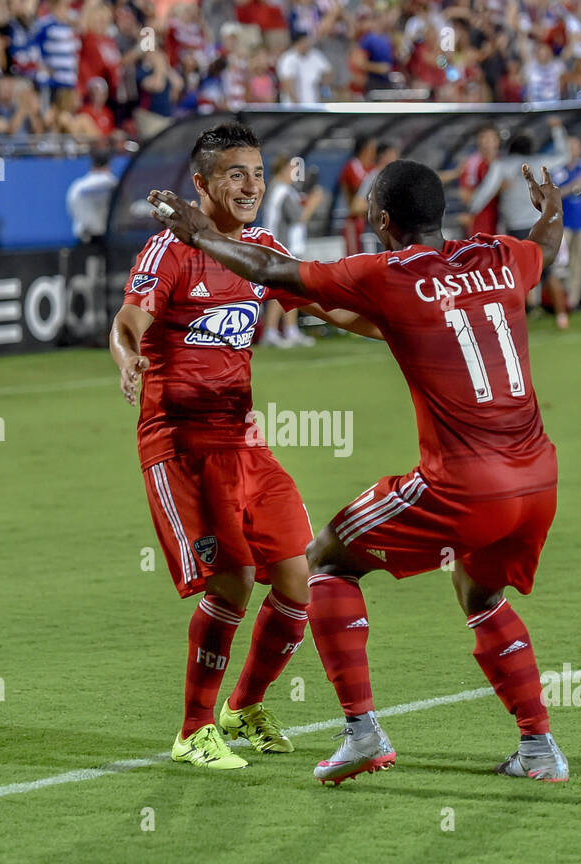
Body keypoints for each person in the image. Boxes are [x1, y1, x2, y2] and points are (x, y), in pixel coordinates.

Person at [149, 155, 570, 786]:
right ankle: (539, 748)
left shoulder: (385, 271)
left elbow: (270, 267)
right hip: (538, 478)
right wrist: (554, 207)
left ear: (381, 218)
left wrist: (198, 233)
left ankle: (361, 733)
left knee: (327, 559)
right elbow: (545, 244)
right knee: (480, 591)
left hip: (464, 482)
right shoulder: (498, 256)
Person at [108, 123, 380, 771]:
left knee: (297, 575)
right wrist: (127, 358)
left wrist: (404, 330)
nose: (252, 185)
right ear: (200, 185)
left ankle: (243, 705)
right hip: (181, 444)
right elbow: (129, 320)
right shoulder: (170, 251)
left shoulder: (259, 249)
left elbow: (325, 307)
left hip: (244, 444)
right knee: (231, 578)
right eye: (236, 174)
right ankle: (193, 729)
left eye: (258, 173)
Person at [469, 117, 571, 327]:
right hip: (540, 226)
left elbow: (482, 195)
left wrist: (472, 209)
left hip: (515, 228)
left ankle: (516, 319)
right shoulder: (540, 163)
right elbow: (564, 155)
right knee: (548, 271)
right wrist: (558, 129)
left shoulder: (501, 166)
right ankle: (562, 316)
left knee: (512, 274)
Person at [259, 152, 324, 347]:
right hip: (282, 246)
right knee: (282, 291)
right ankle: (271, 331)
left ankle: (290, 329)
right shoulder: (282, 190)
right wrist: (313, 202)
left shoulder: (279, 189)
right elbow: (298, 218)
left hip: (283, 246)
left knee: (291, 290)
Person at [552, 135, 581, 310]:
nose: (572, 151)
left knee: (578, 262)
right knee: (560, 263)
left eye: (575, 147)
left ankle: (572, 301)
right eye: (568, 147)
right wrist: (571, 187)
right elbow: (552, 196)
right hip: (563, 222)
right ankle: (557, 299)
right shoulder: (557, 169)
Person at [337, 134, 376, 255]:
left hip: (367, 222)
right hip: (354, 221)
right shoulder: (353, 166)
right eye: (372, 148)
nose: (374, 152)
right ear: (364, 149)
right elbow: (358, 190)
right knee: (355, 257)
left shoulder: (371, 168)